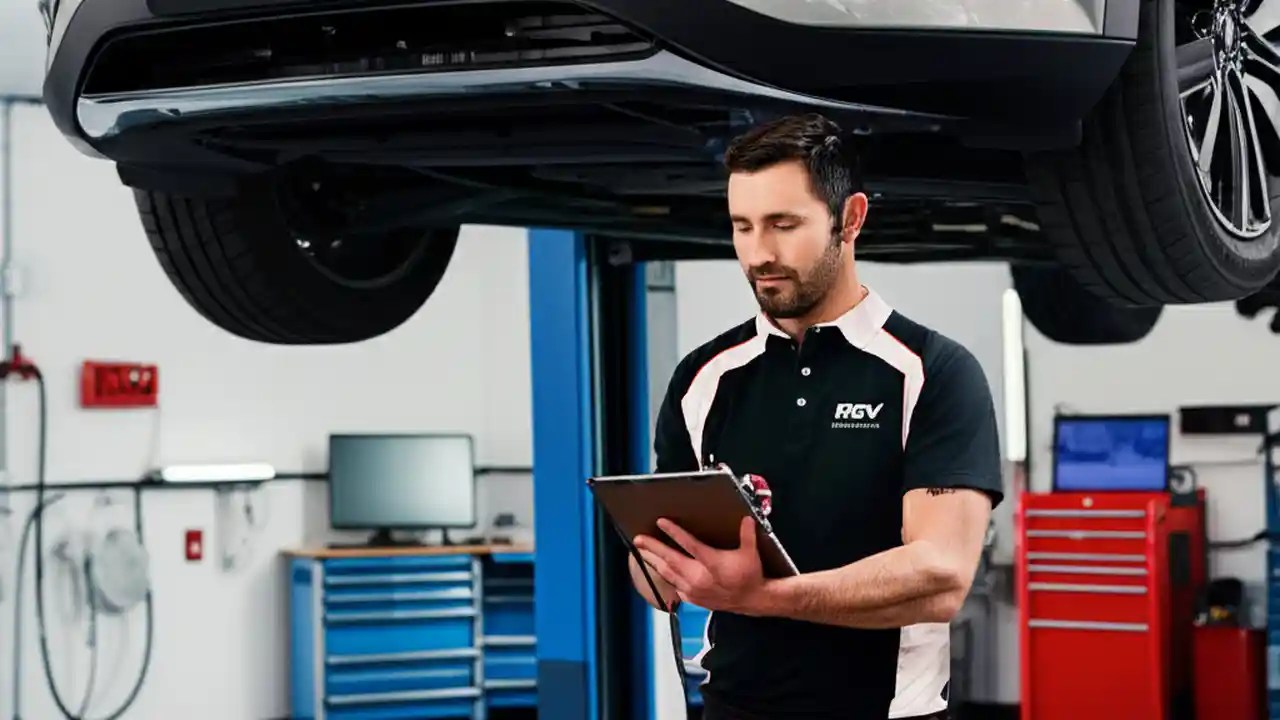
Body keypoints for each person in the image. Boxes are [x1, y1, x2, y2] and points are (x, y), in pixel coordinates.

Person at [628, 113, 1004, 720]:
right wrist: (662, 566)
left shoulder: (934, 372)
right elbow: (658, 580)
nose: (760, 254)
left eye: (784, 225)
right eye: (742, 227)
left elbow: (941, 576)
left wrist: (764, 596)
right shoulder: (704, 378)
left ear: (850, 219)